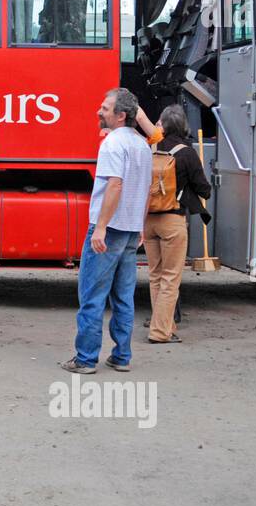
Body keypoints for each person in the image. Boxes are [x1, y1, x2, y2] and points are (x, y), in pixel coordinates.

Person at [62, 87, 152, 374]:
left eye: (105, 108)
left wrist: (100, 227)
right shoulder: (142, 145)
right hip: (129, 230)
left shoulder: (112, 144)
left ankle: (86, 359)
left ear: (120, 115)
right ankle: (121, 356)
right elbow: (147, 189)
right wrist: (140, 225)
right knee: (123, 297)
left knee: (92, 296)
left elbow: (115, 184)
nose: (99, 111)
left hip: (110, 228)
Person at [141, 104, 211, 343]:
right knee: (171, 278)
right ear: (183, 126)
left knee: (155, 276)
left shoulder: (150, 148)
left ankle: (166, 326)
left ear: (162, 123)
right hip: (172, 221)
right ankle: (160, 332)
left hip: (149, 220)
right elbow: (204, 189)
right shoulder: (187, 152)